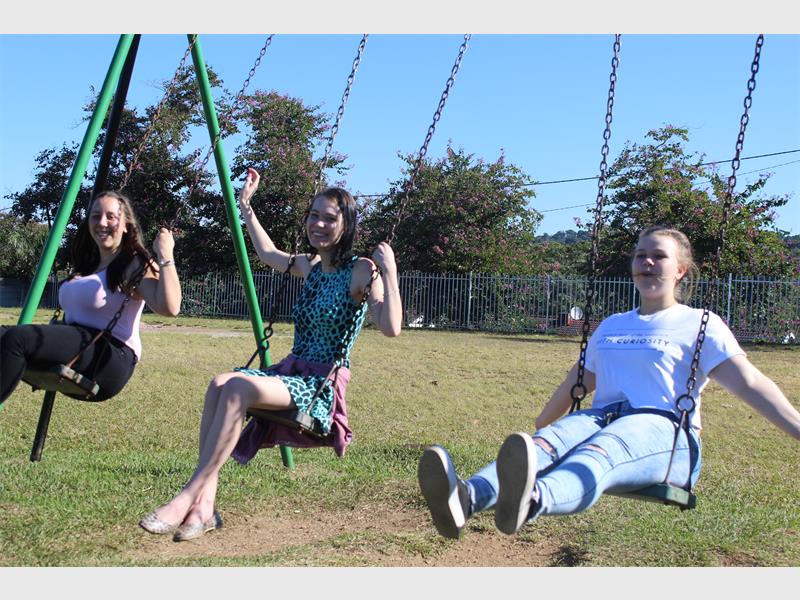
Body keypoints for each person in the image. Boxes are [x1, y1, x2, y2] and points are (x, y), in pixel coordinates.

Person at [418, 225, 800, 539]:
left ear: (680, 270)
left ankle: (533, 499)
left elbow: (750, 382)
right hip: (602, 415)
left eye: (659, 256)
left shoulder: (700, 324)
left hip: (665, 432)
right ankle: (467, 497)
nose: (647, 262)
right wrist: (542, 432)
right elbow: (577, 380)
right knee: (547, 444)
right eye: (640, 255)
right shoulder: (612, 325)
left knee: (600, 451)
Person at [139, 167, 403, 542]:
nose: (319, 224)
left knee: (237, 389)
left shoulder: (361, 269)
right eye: (314, 215)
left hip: (319, 385)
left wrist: (389, 273)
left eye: (330, 218)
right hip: (291, 372)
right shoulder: (310, 266)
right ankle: (205, 506)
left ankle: (187, 496)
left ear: (347, 225)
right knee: (220, 383)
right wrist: (246, 204)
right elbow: (267, 253)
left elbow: (391, 326)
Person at [1, 191, 181, 405]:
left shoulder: (132, 264)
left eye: (111, 216)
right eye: (95, 216)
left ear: (126, 225)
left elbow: (170, 308)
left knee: (18, 339)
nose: (102, 222)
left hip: (109, 357)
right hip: (77, 341)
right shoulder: (87, 264)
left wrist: (166, 255)